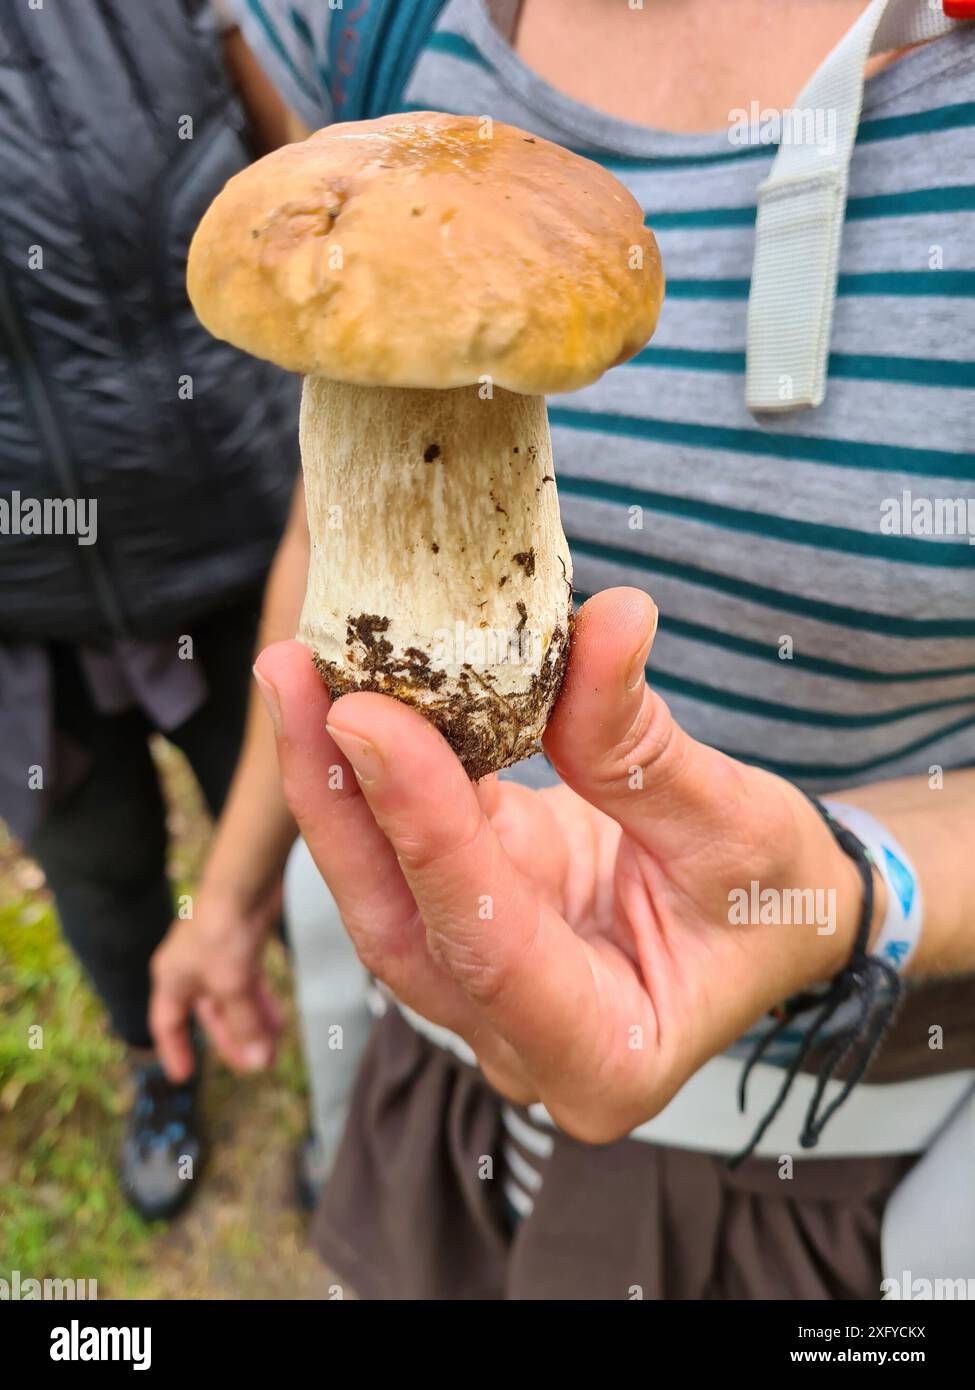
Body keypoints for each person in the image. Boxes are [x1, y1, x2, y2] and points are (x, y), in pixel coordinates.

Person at [153, 0, 975, 1296]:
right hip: (434, 1040)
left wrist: (847, 886)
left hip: (822, 1139)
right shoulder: (379, 25)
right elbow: (322, 524)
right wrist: (234, 892)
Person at [0, 0, 299, 1221]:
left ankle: (337, 1058)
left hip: (235, 541)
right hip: (24, 616)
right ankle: (159, 1062)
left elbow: (315, 177)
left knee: (297, 832)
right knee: (99, 865)